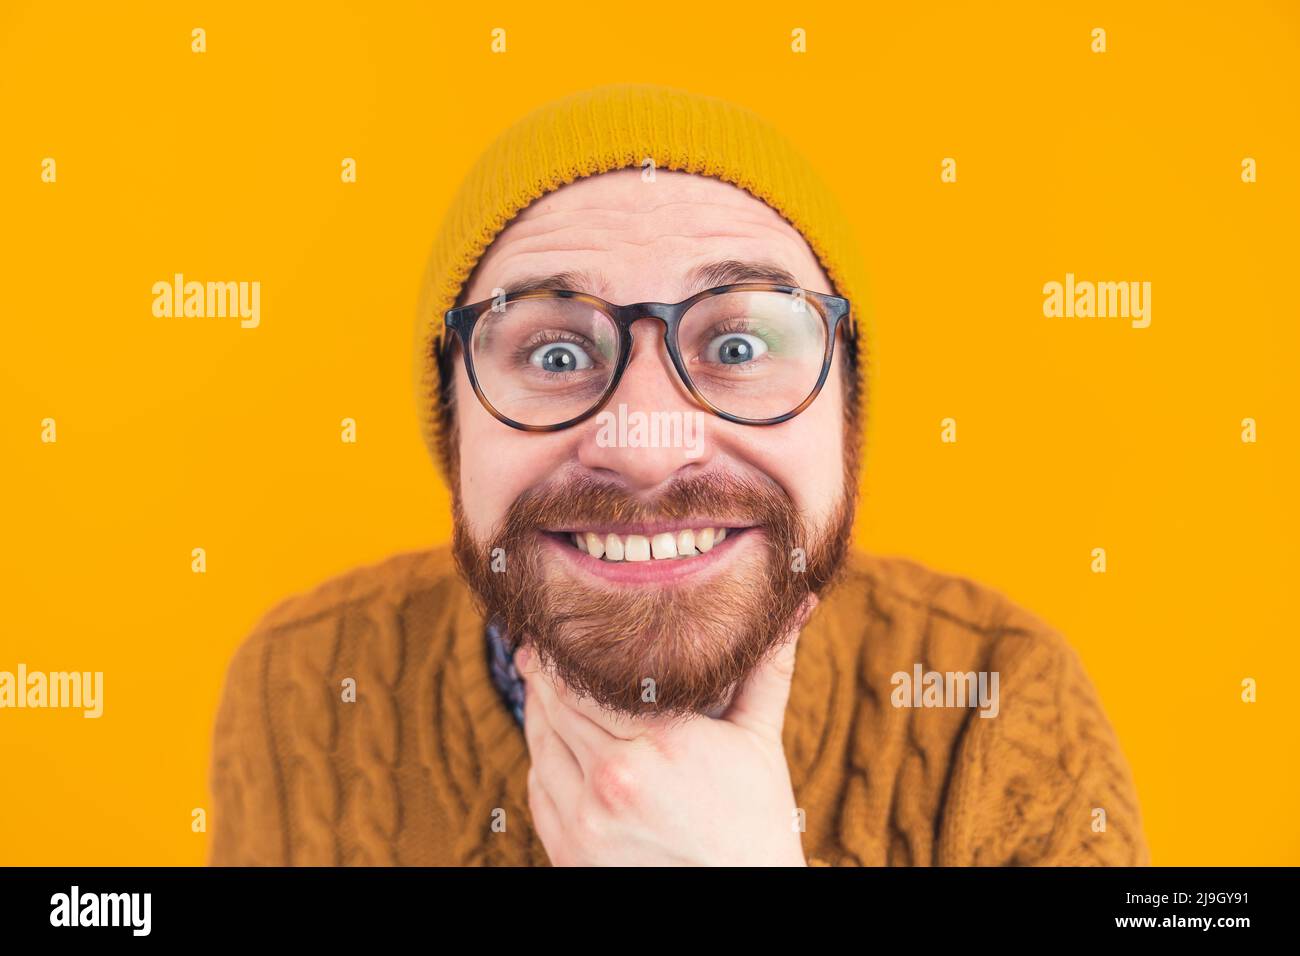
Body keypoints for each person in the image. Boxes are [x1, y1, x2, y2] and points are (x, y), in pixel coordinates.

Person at [208, 83, 1148, 866]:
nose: (648, 445)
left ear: (847, 416)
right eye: (555, 354)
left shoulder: (998, 707)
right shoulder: (306, 687)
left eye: (739, 344)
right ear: (453, 432)